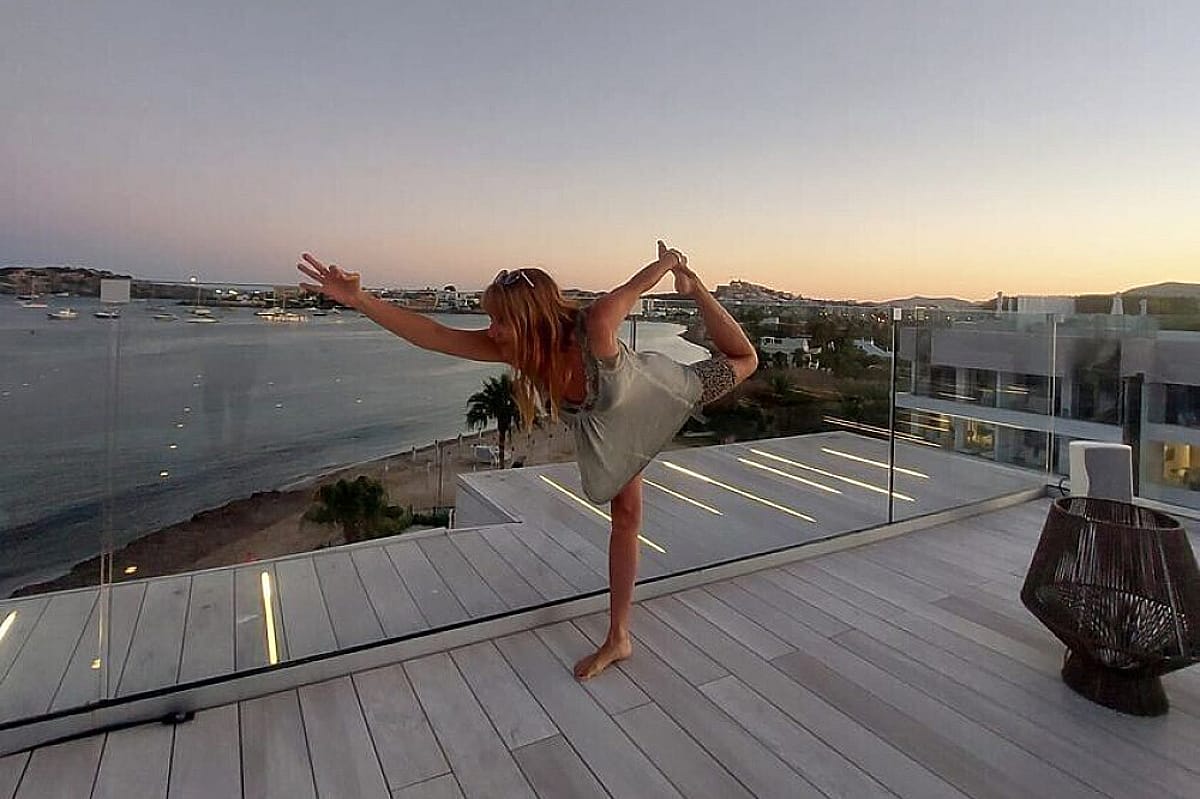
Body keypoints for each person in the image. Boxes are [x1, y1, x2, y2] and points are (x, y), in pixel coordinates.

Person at [298, 242, 757, 679]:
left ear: (534, 317)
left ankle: (697, 287)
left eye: (502, 320)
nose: (492, 330)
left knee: (745, 358)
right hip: (612, 428)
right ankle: (619, 637)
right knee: (626, 516)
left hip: (656, 392)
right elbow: (434, 336)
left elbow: (639, 284)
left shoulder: (596, 325)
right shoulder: (514, 349)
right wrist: (360, 300)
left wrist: (673, 264)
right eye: (492, 319)